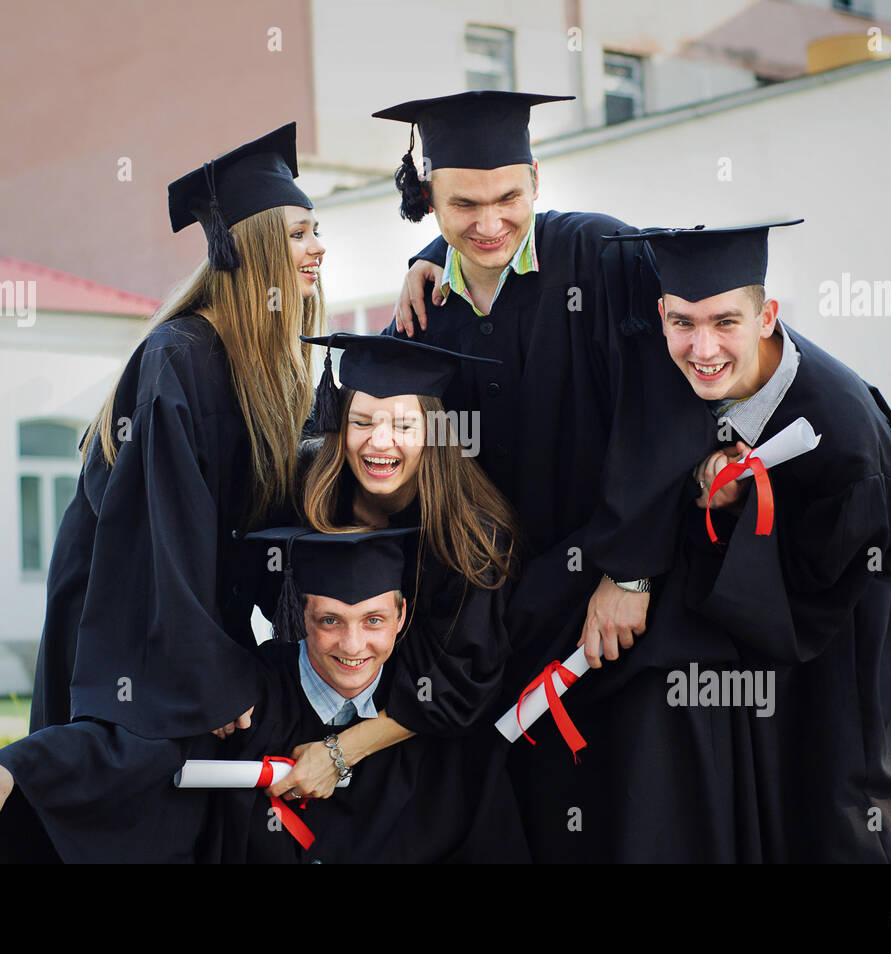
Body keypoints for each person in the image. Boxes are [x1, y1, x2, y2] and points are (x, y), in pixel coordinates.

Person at [0, 122, 327, 863]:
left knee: (206, 791)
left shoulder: (266, 370)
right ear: (256, 248)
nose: (318, 248)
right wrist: (212, 677)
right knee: (146, 793)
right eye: (300, 232)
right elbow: (162, 537)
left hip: (183, 623)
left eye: (318, 230)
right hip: (121, 622)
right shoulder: (179, 359)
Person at [374, 91, 712, 860]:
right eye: (463, 204)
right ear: (428, 197)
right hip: (507, 605)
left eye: (508, 198)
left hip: (614, 594)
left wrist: (630, 572)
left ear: (536, 178)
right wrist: (424, 260)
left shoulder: (605, 256)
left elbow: (664, 411)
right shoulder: (429, 309)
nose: (489, 223)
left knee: (625, 796)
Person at [574, 219, 891, 861]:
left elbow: (804, 612)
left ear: (767, 315)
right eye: (682, 322)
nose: (701, 346)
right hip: (744, 674)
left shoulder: (847, 442)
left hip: (832, 667)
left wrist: (736, 515)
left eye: (724, 322)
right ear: (660, 316)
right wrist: (430, 258)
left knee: (830, 824)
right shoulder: (686, 378)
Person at [258, 332, 522, 805]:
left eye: (403, 425)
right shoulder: (304, 489)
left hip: (420, 759)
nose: (379, 442)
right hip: (300, 721)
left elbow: (460, 687)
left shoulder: (470, 534)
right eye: (361, 421)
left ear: (435, 431)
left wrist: (338, 753)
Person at [201, 526, 528, 863]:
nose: (353, 646)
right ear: (301, 615)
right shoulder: (245, 705)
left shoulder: (438, 724)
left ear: (401, 617)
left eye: (373, 620)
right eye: (330, 620)